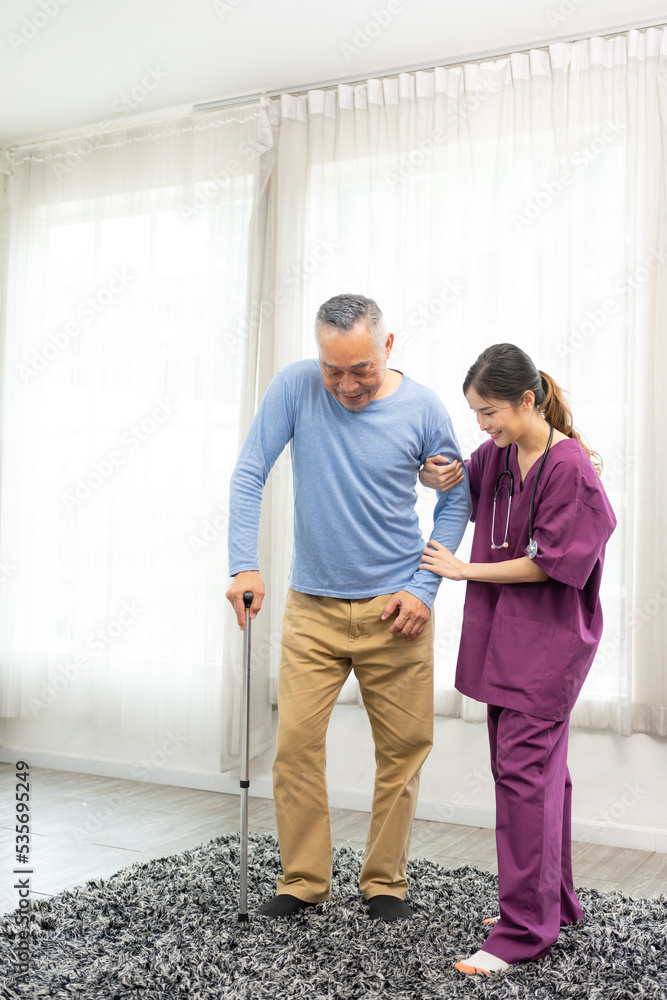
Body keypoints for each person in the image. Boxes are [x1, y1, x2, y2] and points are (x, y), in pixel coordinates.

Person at [226, 293, 471, 920]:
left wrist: (423, 588)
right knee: (296, 746)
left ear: (386, 347)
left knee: (404, 749)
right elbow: (251, 469)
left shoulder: (422, 407)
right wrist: (242, 563)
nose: (345, 384)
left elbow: (455, 499)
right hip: (313, 608)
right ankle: (304, 879)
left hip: (398, 607)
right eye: (332, 369)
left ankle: (384, 882)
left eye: (359, 369)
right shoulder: (296, 387)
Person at [418, 343, 616, 974]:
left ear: (527, 400)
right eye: (476, 413)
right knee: (534, 774)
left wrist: (461, 567)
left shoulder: (571, 470)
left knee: (524, 779)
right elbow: (459, 481)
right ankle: (551, 901)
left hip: (549, 644)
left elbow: (555, 563)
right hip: (506, 639)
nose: (483, 425)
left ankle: (524, 929)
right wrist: (437, 474)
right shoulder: (500, 454)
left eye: (489, 412)